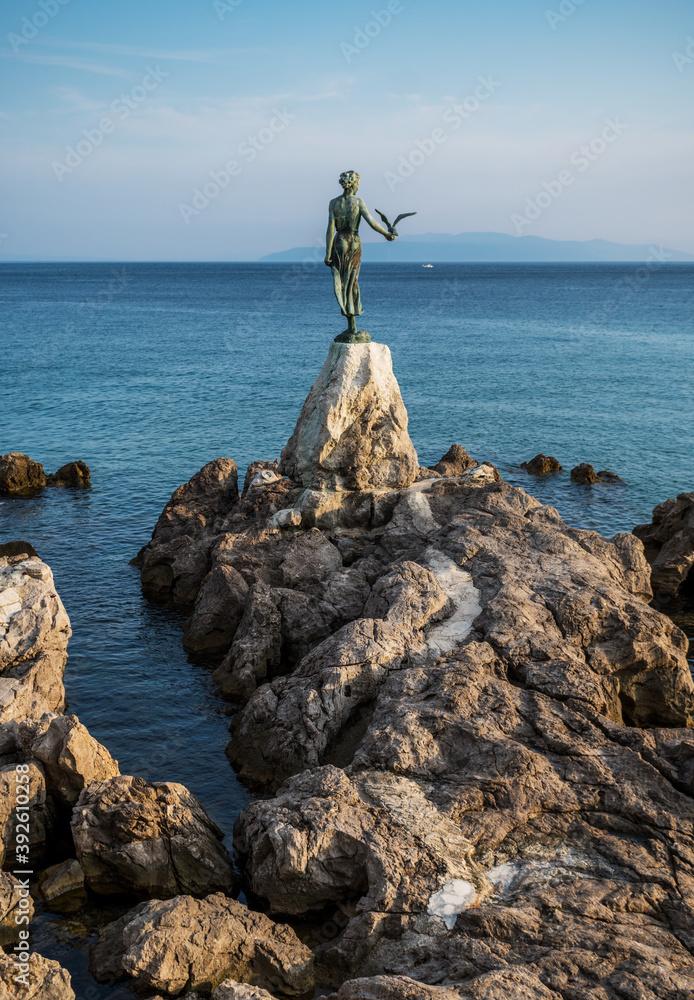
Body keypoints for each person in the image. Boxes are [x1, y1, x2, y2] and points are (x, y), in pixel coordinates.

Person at [324, 170, 396, 337]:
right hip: (354, 242)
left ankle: (350, 324)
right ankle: (353, 326)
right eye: (358, 182)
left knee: (342, 283)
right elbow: (371, 221)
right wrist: (386, 234)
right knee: (352, 282)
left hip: (339, 242)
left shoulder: (333, 203)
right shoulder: (358, 202)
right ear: (354, 183)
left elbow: (330, 229)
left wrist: (327, 253)